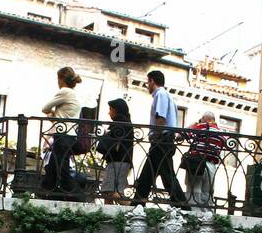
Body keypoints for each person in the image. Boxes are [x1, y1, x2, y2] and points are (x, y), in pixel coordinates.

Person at [134, 70, 186, 206]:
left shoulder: (161, 94)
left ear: (152, 81)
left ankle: (182, 205)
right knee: (149, 174)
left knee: (166, 176)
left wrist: (155, 137)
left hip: (162, 140)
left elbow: (160, 118)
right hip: (165, 140)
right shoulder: (168, 96)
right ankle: (137, 203)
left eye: (147, 82)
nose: (147, 86)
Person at [40, 66, 84, 197]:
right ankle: (46, 191)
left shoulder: (64, 91)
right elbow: (66, 115)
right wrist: (56, 116)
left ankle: (72, 195)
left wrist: (52, 114)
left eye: (57, 79)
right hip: (69, 135)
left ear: (62, 79)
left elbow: (45, 108)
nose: (57, 82)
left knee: (62, 169)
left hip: (62, 135)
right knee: (54, 166)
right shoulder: (73, 94)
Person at [181, 110, 226, 210]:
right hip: (211, 166)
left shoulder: (201, 127)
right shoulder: (222, 135)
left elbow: (182, 135)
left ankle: (193, 216)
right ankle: (206, 217)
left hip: (196, 163)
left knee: (194, 191)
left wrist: (195, 124)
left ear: (205, 119)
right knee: (207, 193)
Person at [95, 98, 135, 204]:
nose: (109, 112)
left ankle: (133, 210)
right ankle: (109, 218)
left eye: (110, 109)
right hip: (121, 161)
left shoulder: (120, 122)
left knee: (111, 192)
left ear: (116, 110)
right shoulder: (125, 122)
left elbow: (115, 141)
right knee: (108, 192)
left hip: (117, 161)